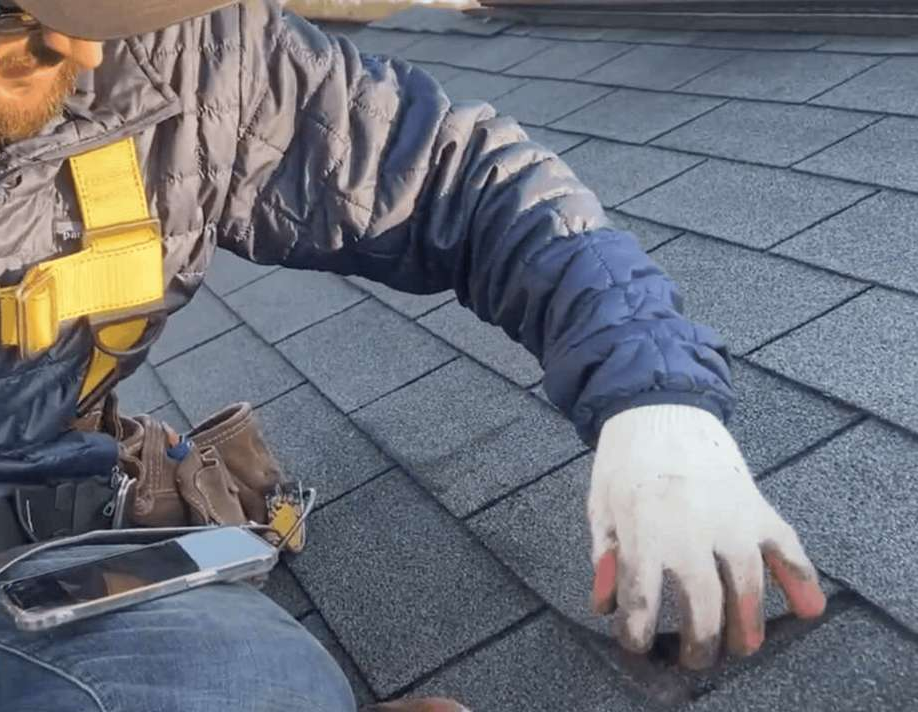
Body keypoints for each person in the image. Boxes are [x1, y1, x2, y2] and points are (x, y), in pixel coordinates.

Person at [0, 1, 827, 710]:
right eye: (20, 17)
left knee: (253, 679)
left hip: (50, 533)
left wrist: (654, 401)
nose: (83, 51)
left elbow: (456, 180)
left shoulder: (183, 56)